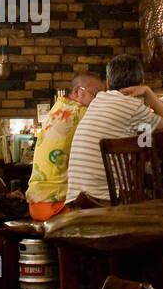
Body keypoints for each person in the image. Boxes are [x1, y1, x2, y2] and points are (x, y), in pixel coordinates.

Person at [65, 54, 163, 207]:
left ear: (108, 83)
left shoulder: (98, 100)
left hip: (77, 200)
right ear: (141, 82)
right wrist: (148, 92)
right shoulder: (133, 107)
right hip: (105, 201)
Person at [26, 73, 105, 220]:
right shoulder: (80, 112)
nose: (100, 100)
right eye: (97, 94)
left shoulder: (59, 107)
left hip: (37, 202)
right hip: (57, 205)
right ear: (77, 92)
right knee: (112, 213)